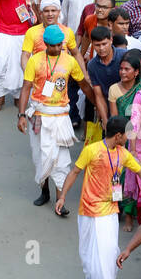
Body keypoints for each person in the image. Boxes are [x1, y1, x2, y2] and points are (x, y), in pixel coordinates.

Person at [55, 116, 141, 279]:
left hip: (110, 209)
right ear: (118, 135)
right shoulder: (91, 150)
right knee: (88, 250)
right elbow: (74, 172)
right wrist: (62, 196)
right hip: (90, 208)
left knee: (108, 250)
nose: (129, 138)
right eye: (127, 134)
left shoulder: (124, 154)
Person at [17, 24, 95, 211]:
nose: (56, 49)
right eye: (52, 46)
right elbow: (26, 87)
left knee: (61, 160)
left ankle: (61, 201)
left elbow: (83, 85)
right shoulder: (35, 61)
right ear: (45, 44)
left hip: (60, 116)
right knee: (40, 156)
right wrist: (21, 114)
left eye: (59, 45)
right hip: (38, 115)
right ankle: (45, 192)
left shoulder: (70, 61)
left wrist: (97, 105)